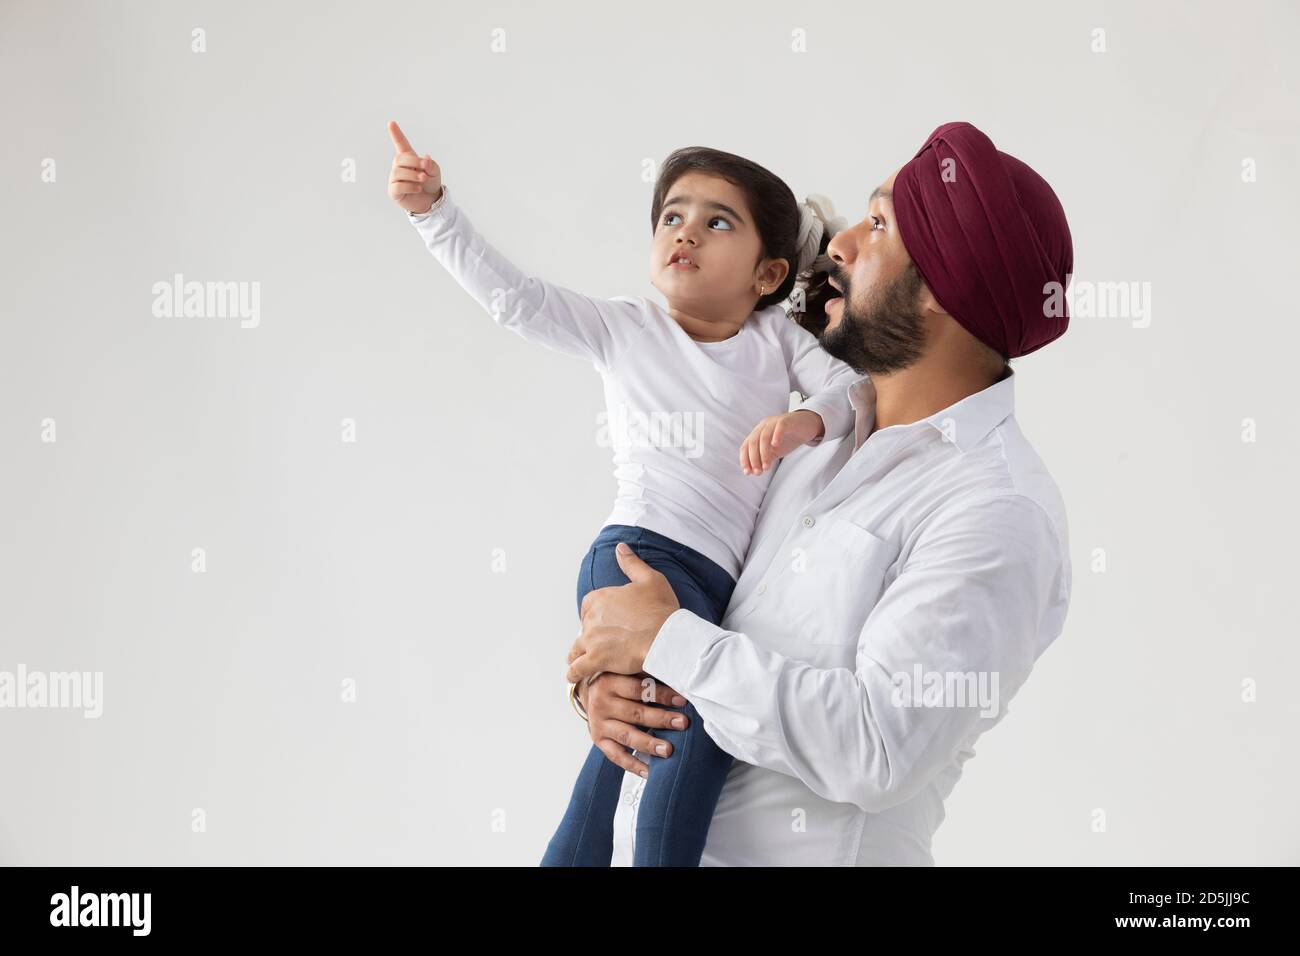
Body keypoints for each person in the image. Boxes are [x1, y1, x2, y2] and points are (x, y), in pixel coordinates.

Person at [566, 121, 1075, 866]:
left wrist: (669, 642)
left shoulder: (995, 510)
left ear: (938, 290)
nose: (839, 246)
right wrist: (614, 688)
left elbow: (877, 748)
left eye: (878, 225)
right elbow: (698, 620)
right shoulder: (806, 438)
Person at [386, 121, 861, 865]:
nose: (686, 233)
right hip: (637, 560)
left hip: (709, 584)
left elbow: (851, 391)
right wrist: (435, 212)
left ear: (767, 276)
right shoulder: (626, 329)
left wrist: (803, 420)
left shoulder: (777, 344)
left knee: (624, 756)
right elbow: (516, 300)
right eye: (672, 215)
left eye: (716, 222)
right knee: (689, 733)